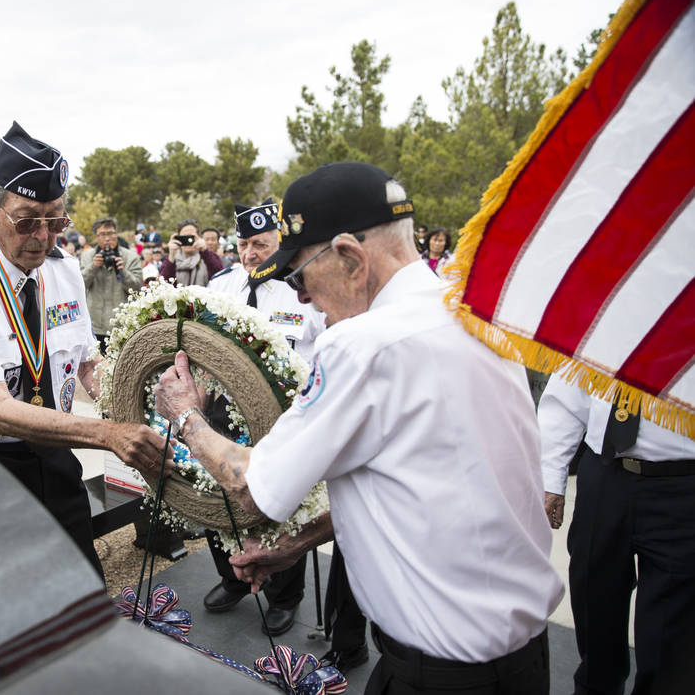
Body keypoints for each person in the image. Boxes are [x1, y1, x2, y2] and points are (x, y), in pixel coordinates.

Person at [155, 161, 563, 694]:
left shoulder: (364, 344)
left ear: (349, 257)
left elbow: (251, 483)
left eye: (299, 275)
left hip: (439, 673)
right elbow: (416, 483)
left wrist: (185, 413)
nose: (299, 297)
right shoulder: (475, 316)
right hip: (519, 660)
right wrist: (297, 545)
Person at [0, 121, 170, 579]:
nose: (43, 236)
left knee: (84, 595)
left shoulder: (63, 268)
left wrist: (144, 399)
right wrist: (107, 434)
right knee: (5, 614)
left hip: (54, 457)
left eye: (55, 220)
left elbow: (86, 363)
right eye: (28, 219)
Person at [198, 198, 328, 639]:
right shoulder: (222, 284)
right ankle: (231, 578)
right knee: (220, 503)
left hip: (282, 419)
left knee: (278, 507)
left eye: (261, 243)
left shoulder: (304, 291)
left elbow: (325, 356)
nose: (250, 254)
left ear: (279, 242)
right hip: (223, 413)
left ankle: (284, 597)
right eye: (244, 244)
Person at [539, 375, 695, 694]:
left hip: (681, 483)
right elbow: (571, 385)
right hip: (605, 473)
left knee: (670, 643)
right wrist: (551, 475)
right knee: (593, 600)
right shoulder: (607, 323)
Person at [80, 217, 143, 354]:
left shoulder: (130, 257)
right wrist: (93, 267)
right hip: (95, 325)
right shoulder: (87, 256)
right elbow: (80, 285)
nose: (107, 238)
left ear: (116, 234)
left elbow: (138, 288)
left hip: (122, 326)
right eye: (103, 234)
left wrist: (122, 271)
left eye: (111, 233)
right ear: (96, 237)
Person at [160, 220, 222, 286]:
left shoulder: (208, 256)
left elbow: (220, 277)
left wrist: (205, 251)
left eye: (191, 237)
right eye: (184, 237)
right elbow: (164, 284)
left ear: (198, 237)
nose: (188, 241)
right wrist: (171, 255)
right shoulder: (171, 260)